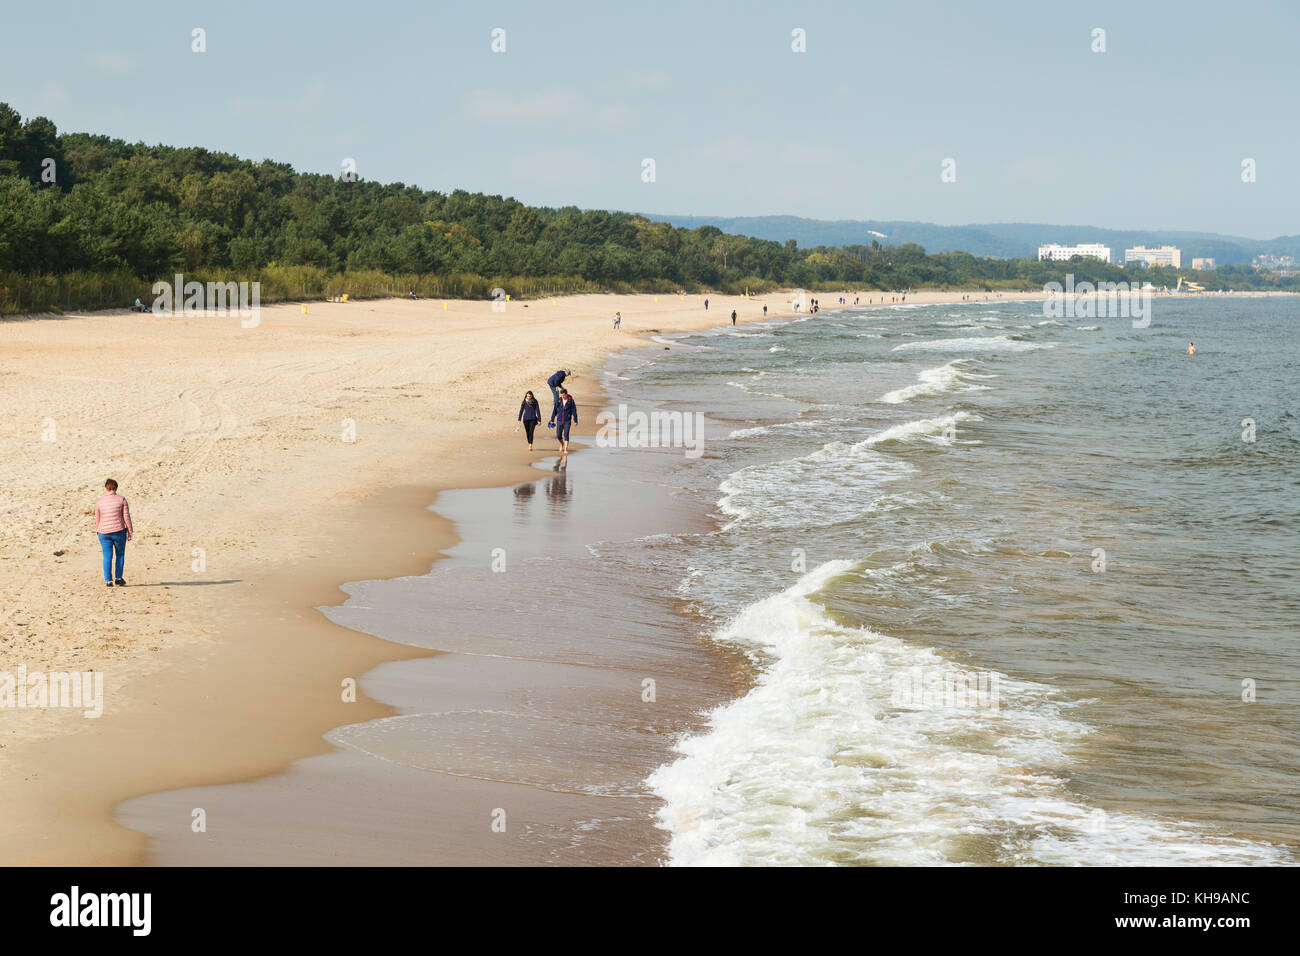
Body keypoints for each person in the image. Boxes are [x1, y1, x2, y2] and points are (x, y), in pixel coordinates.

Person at [94, 478, 133, 587]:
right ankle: (118, 578)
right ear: (116, 487)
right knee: (120, 554)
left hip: (103, 532)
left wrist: (98, 530)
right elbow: (126, 517)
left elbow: (97, 518)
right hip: (119, 531)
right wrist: (130, 531)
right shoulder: (122, 499)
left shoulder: (99, 501)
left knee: (107, 556)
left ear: (106, 488)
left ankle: (108, 580)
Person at [554, 387, 578, 453]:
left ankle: (565, 449)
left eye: (564, 395)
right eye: (561, 395)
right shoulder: (559, 400)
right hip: (559, 420)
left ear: (566, 394)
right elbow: (555, 409)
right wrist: (552, 419)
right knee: (558, 435)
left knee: (566, 434)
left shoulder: (571, 401)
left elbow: (574, 410)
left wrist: (575, 420)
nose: (562, 396)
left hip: (567, 420)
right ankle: (562, 444)